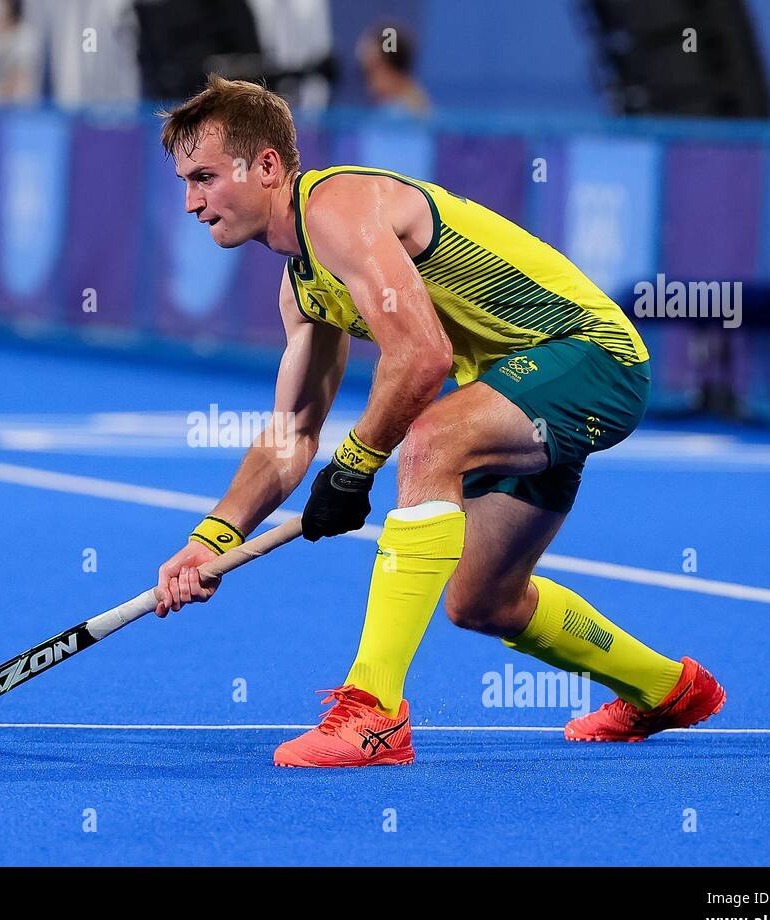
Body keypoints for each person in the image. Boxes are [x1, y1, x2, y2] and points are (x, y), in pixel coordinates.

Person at [153, 76, 725, 767]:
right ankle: (668, 690)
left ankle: (374, 712)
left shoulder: (337, 208)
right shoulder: (302, 285)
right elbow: (291, 435)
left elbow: (423, 357)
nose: (191, 201)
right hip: (513, 389)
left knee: (430, 440)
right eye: (185, 181)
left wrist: (357, 465)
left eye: (205, 177)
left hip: (589, 357)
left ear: (267, 166)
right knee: (482, 600)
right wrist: (212, 537)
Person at [356, 22, 428, 117]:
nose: (369, 82)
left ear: (389, 68)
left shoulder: (400, 115)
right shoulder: (389, 109)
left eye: (370, 69)